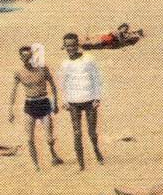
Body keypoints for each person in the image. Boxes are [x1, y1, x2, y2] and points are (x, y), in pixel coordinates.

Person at [9, 45, 62, 169]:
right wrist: (10, 110)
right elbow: (13, 91)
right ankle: (36, 165)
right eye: (24, 57)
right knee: (29, 138)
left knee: (49, 138)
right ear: (21, 58)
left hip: (44, 103)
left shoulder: (43, 69)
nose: (27, 59)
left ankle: (53, 154)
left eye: (29, 56)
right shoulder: (19, 73)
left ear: (33, 56)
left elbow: (53, 86)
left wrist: (55, 103)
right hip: (30, 105)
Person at [59, 32, 104, 170]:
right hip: (73, 102)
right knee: (77, 133)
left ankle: (96, 149)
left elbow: (97, 78)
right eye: (67, 46)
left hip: (90, 100)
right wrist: (64, 100)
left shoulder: (88, 59)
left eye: (73, 45)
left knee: (92, 132)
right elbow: (63, 83)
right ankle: (81, 163)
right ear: (64, 47)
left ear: (77, 45)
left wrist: (97, 98)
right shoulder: (65, 64)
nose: (70, 48)